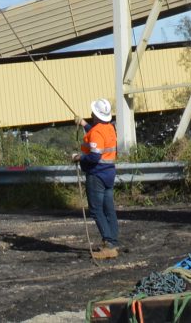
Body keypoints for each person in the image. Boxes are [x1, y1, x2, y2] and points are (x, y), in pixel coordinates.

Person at [78, 98, 120, 260]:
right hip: (109, 174)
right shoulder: (109, 128)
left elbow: (94, 156)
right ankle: (113, 241)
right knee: (108, 209)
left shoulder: (96, 132)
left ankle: (108, 244)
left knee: (96, 210)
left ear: (95, 114)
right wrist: (83, 124)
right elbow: (97, 135)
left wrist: (79, 158)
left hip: (97, 174)